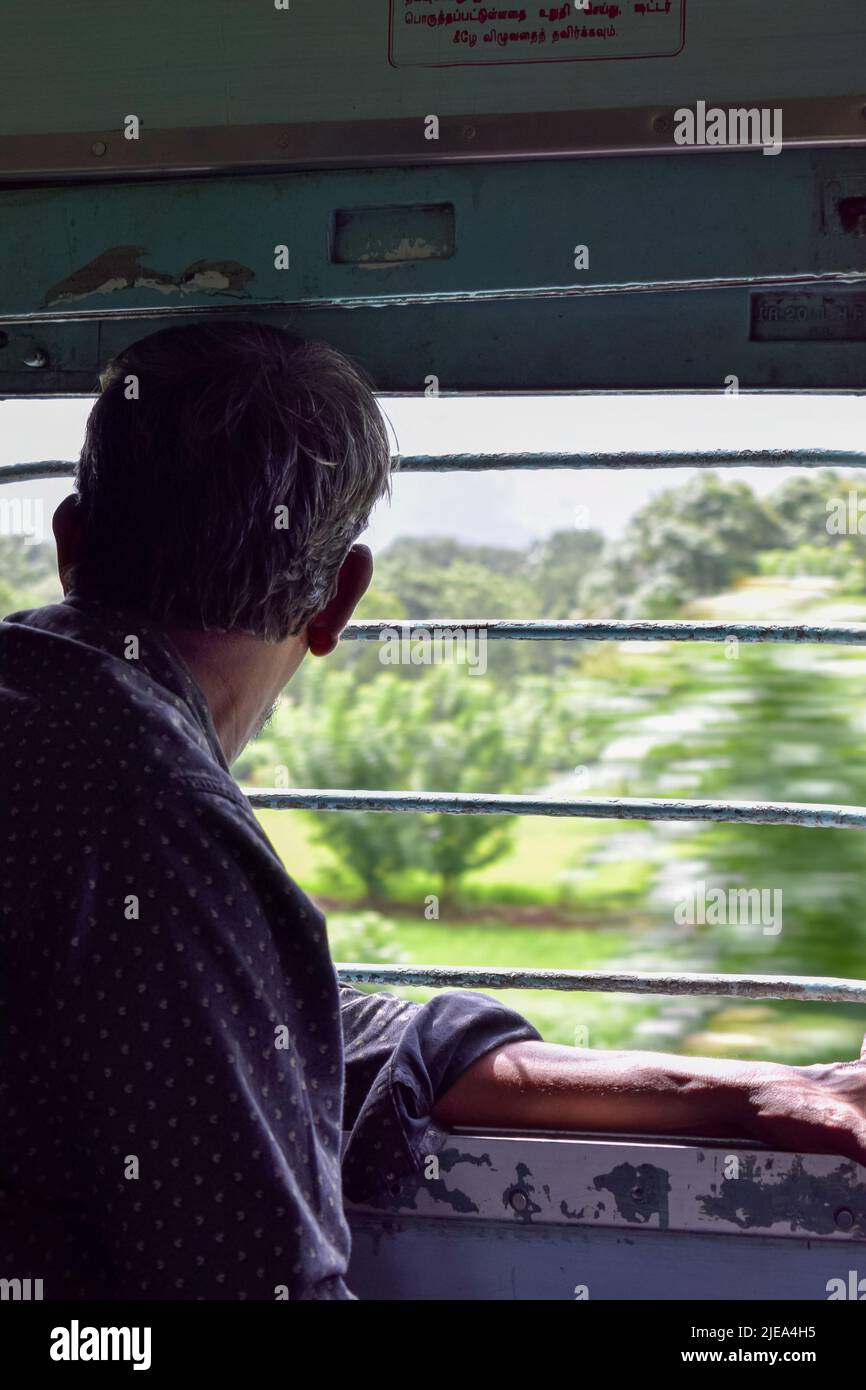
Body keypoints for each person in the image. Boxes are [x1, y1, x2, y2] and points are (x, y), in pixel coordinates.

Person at [1, 322, 864, 1302]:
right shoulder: (154, 818)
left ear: (69, 539)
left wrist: (720, 1092)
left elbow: (240, 1018)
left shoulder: (67, 754)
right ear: (338, 602)